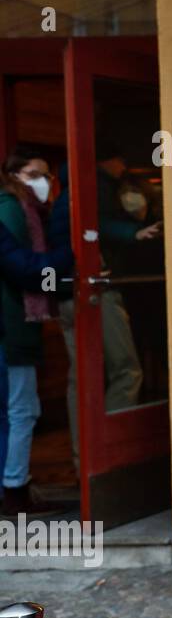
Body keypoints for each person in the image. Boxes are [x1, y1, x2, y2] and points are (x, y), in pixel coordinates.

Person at [54, 147, 158, 468]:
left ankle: (82, 459)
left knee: (82, 379)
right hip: (93, 292)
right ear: (104, 159)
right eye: (121, 158)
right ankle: (109, 458)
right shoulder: (91, 188)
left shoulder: (67, 192)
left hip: (66, 295)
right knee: (127, 371)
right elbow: (95, 225)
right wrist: (134, 232)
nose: (124, 164)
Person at [0, 150, 60, 515]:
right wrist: (69, 257)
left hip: (11, 327)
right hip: (11, 328)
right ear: (14, 174)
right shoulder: (10, 210)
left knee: (14, 410)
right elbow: (22, 268)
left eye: (47, 175)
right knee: (22, 410)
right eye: (34, 173)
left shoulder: (24, 210)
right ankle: (15, 491)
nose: (43, 181)